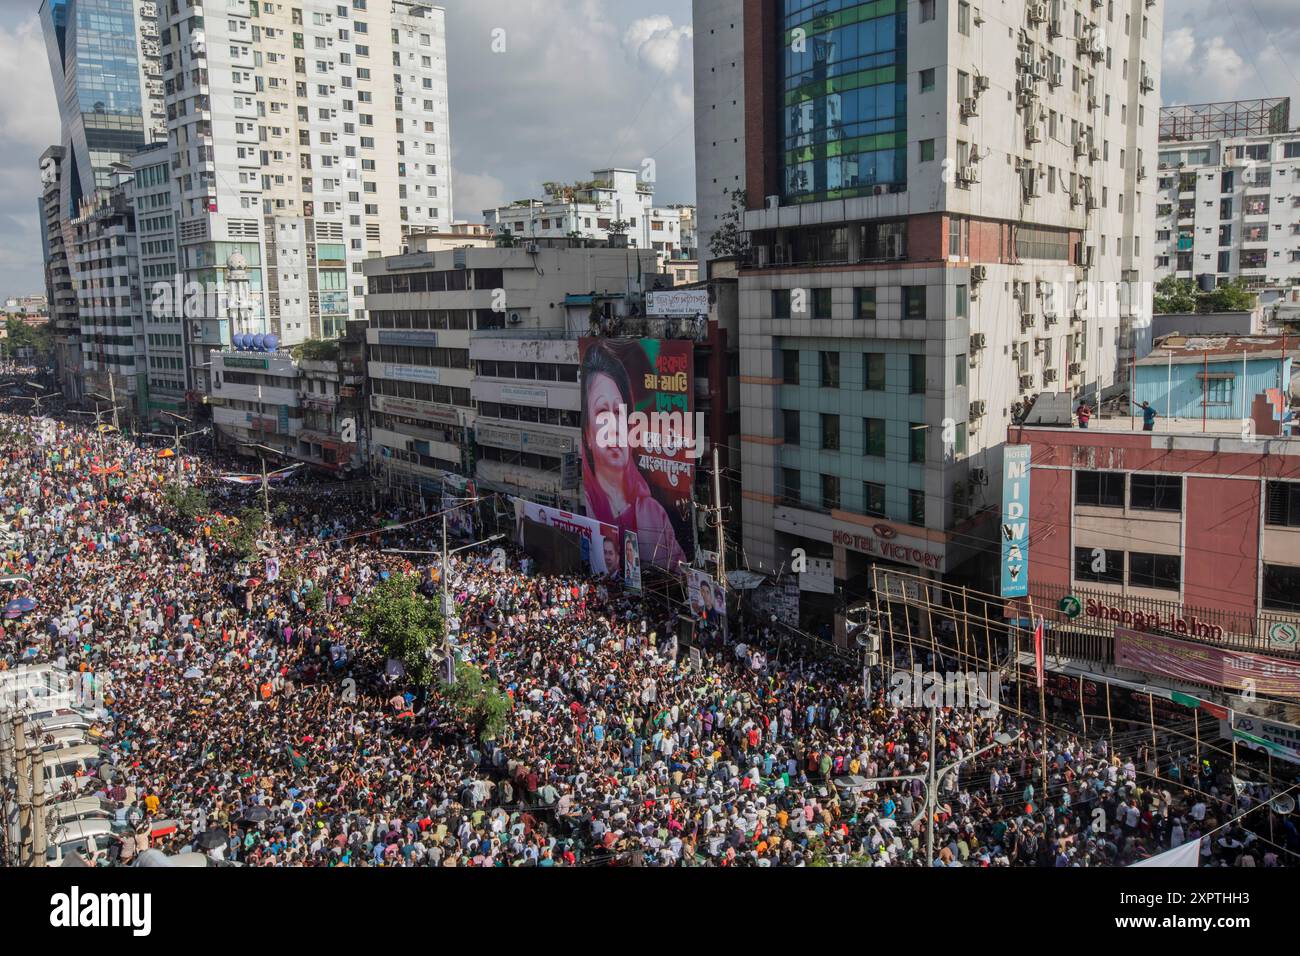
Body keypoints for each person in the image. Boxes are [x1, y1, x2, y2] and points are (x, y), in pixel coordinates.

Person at [579, 342, 687, 571]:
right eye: (602, 411)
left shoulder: (653, 513)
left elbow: (681, 574)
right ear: (587, 433)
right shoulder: (587, 502)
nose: (614, 426)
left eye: (619, 412)